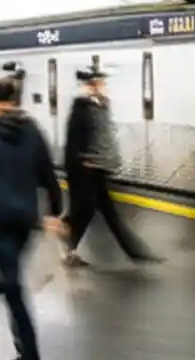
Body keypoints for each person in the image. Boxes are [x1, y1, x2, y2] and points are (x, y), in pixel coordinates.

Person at [0, 76, 65, 360]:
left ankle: (29, 353)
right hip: (25, 221)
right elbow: (48, 174)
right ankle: (25, 350)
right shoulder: (32, 130)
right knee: (12, 282)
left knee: (13, 289)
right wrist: (55, 209)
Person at [62, 69, 161, 267]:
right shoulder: (80, 107)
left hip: (99, 169)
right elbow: (74, 141)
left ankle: (136, 252)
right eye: (100, 83)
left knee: (105, 213)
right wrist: (80, 164)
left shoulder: (102, 106)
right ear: (91, 85)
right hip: (84, 171)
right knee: (86, 212)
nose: (103, 86)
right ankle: (68, 247)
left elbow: (106, 138)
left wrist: (112, 162)